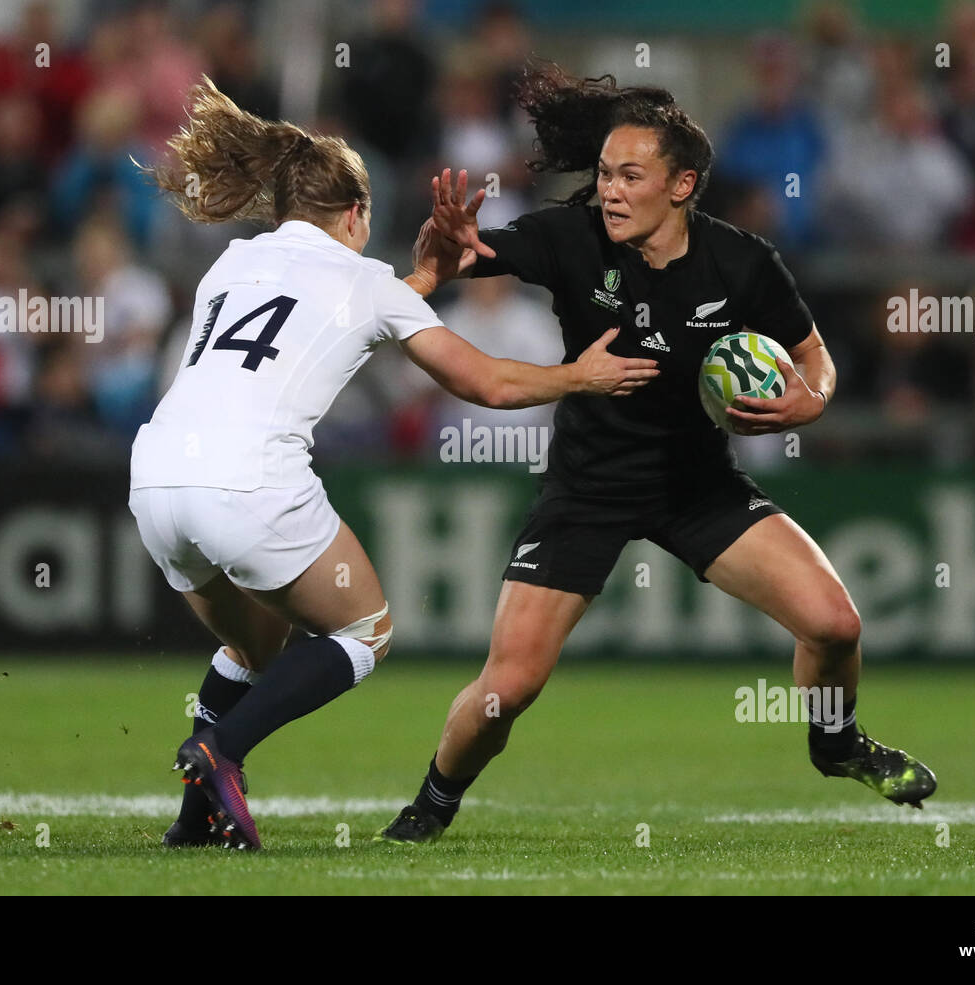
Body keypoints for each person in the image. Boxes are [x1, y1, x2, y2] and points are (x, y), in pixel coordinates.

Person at [380, 65, 937, 844]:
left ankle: (835, 741)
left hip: (698, 485)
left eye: (628, 176)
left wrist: (810, 398)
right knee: (510, 687)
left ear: (681, 186)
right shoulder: (569, 237)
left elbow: (815, 356)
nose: (608, 190)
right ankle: (432, 802)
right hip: (588, 487)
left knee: (836, 624)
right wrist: (439, 248)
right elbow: (454, 264)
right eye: (605, 174)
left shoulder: (743, 263)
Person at [129, 78, 659, 849]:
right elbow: (489, 381)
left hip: (157, 479)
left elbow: (333, 308)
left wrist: (423, 282)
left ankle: (194, 819)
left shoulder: (234, 263)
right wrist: (581, 375)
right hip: (250, 480)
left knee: (252, 648)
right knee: (362, 630)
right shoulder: (367, 280)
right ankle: (221, 750)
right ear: (356, 215)